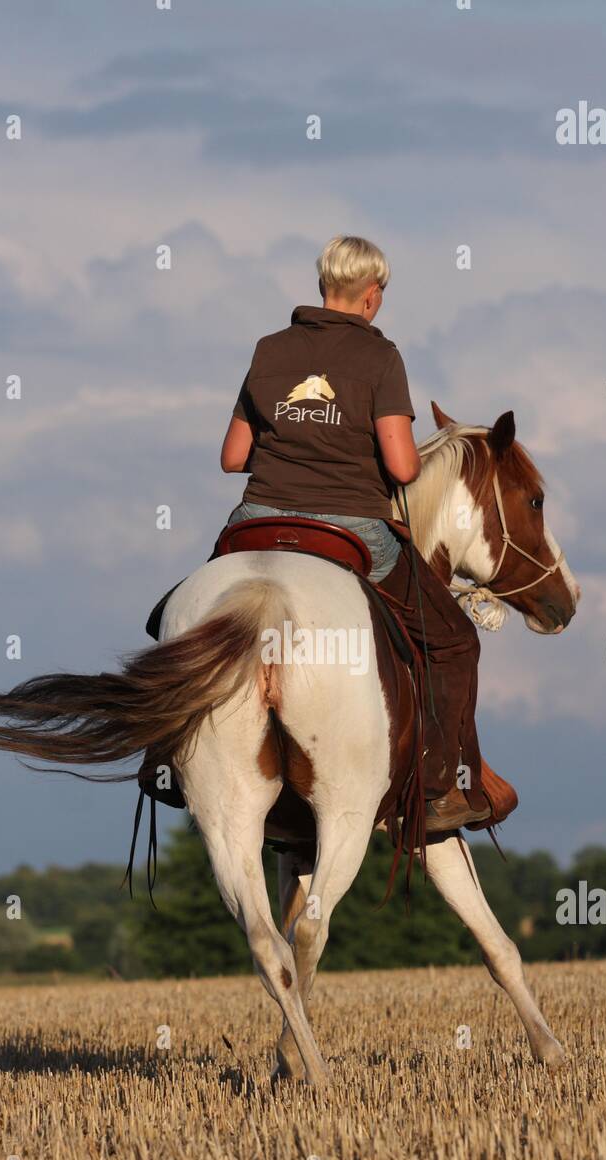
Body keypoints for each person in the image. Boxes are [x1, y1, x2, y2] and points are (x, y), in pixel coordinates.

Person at [218, 234, 493, 830]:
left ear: (323, 286)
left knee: (188, 626)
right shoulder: (380, 357)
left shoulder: (268, 349)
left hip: (257, 521)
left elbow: (233, 456)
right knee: (454, 643)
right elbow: (401, 468)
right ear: (372, 297)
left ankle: (163, 756)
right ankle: (439, 792)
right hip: (350, 529)